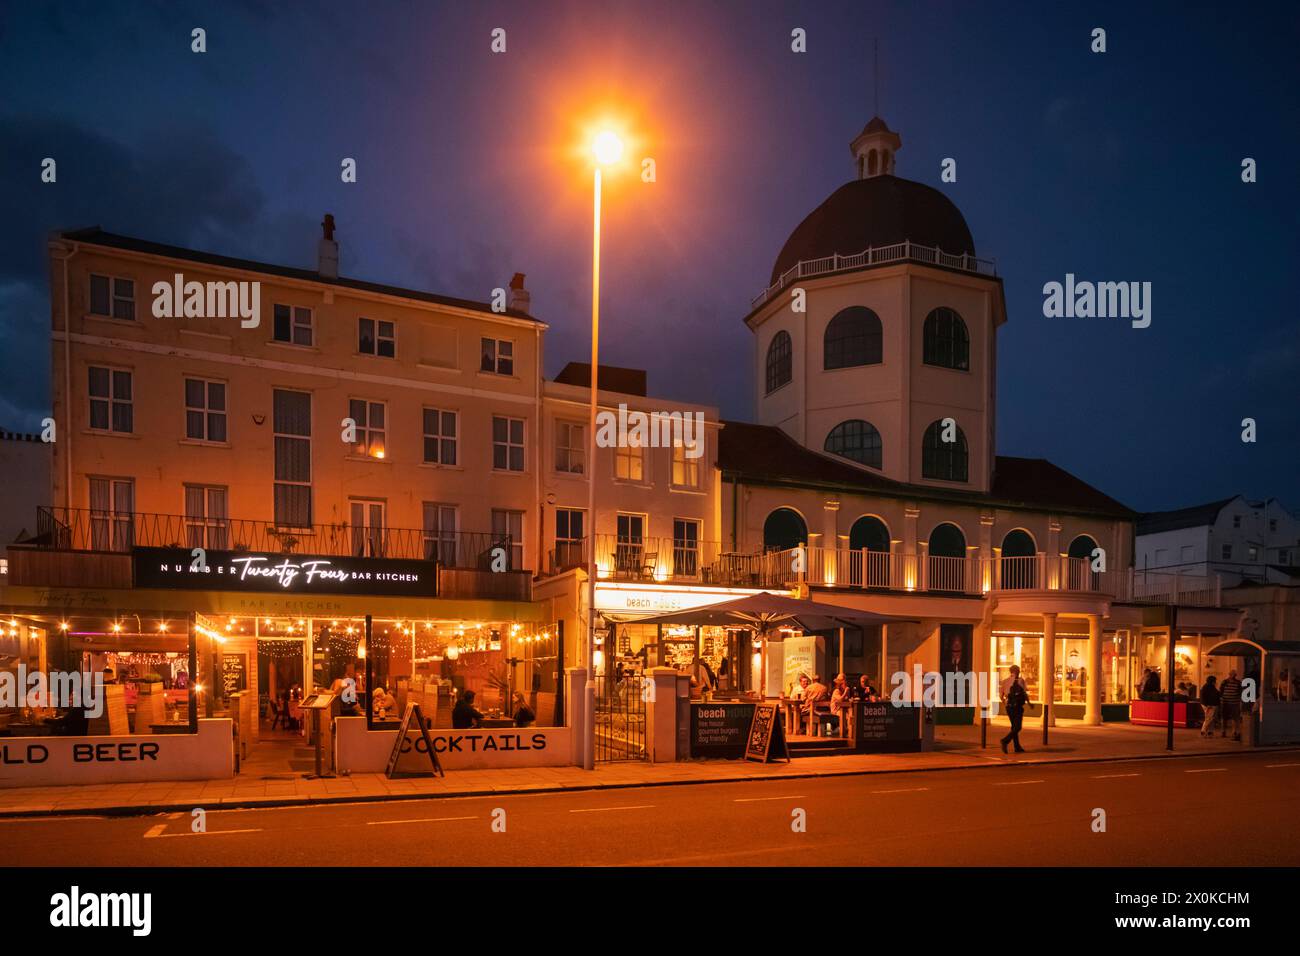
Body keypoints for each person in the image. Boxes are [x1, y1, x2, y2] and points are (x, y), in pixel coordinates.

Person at [999, 665, 1029, 754]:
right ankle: (1005, 740)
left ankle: (1017, 747)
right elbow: (1024, 693)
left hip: (1009, 707)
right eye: (1019, 670)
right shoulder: (1020, 680)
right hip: (1017, 707)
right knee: (1018, 727)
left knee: (1014, 727)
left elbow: (1001, 696)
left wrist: (1005, 703)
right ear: (1017, 671)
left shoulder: (1004, 681)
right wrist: (1029, 703)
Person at [1218, 670, 1243, 741]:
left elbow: (1240, 692)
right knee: (1224, 718)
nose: (1233, 676)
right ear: (1229, 674)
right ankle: (1223, 731)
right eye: (1231, 674)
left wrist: (1239, 700)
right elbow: (1221, 691)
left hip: (1234, 703)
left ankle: (1234, 732)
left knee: (1235, 718)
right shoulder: (1224, 682)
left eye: (1234, 674)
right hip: (1225, 703)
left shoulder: (1238, 683)